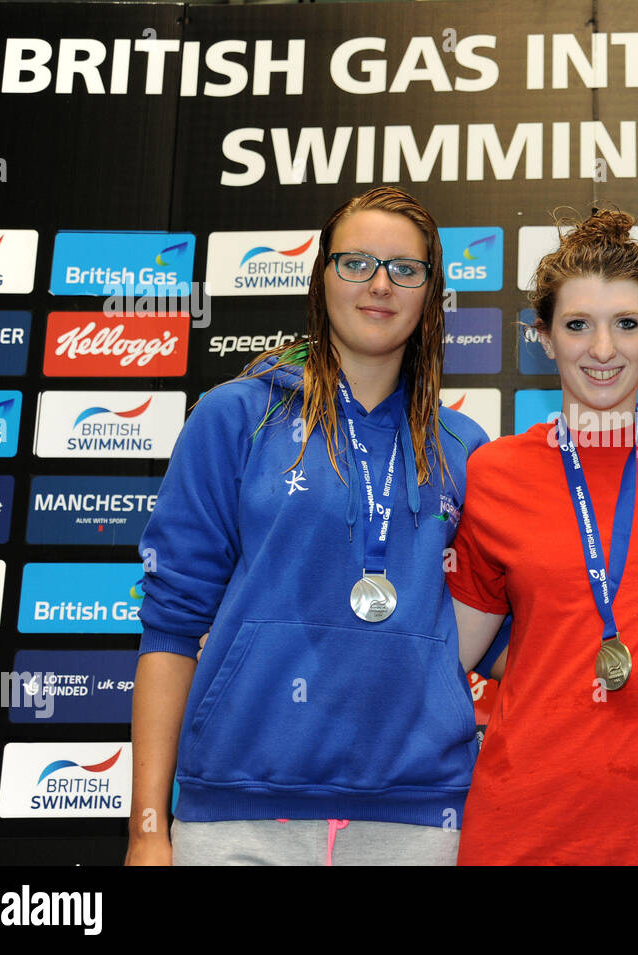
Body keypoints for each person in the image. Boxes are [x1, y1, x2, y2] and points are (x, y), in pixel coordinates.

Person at [126, 186, 487, 866]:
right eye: (357, 263)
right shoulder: (235, 416)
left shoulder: (464, 448)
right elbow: (171, 626)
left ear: (431, 296)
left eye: (405, 269)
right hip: (238, 814)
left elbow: (501, 628)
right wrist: (148, 828)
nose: (380, 284)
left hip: (418, 819)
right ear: (320, 277)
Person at [449, 209, 638, 865]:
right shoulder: (495, 471)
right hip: (527, 827)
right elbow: (450, 655)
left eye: (626, 324)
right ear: (543, 336)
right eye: (577, 324)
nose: (602, 349)